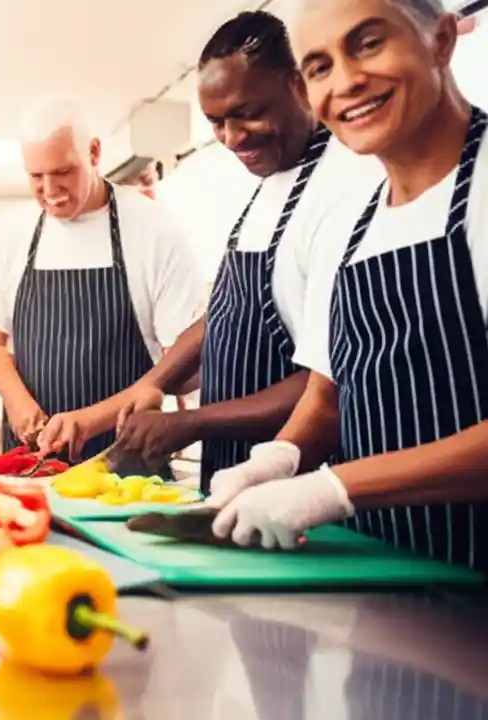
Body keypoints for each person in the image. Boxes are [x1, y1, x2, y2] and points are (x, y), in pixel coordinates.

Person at [209, 0, 488, 569]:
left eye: (368, 44)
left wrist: (332, 489)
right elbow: (328, 393)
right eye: (319, 68)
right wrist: (280, 457)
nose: (347, 82)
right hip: (388, 577)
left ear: (440, 40)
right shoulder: (351, 222)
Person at [111, 11, 384, 492]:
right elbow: (223, 313)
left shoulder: (347, 183)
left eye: (248, 113)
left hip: (302, 482)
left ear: (297, 85)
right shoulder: (265, 185)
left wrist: (193, 422)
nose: (234, 139)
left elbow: (329, 378)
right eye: (217, 123)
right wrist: (153, 382)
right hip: (233, 474)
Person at [0, 94, 205, 460]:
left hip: (127, 470)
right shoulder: (12, 233)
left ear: (95, 153)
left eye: (64, 172)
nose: (50, 191)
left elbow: (185, 359)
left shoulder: (153, 227)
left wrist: (97, 418)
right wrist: (16, 399)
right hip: (32, 466)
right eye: (36, 176)